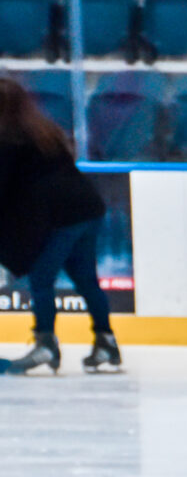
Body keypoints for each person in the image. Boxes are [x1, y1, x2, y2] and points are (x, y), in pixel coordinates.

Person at [0, 78, 120, 375]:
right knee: (86, 279)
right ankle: (106, 342)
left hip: (62, 216)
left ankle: (45, 344)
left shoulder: (8, 139)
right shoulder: (44, 130)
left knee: (41, 278)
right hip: (86, 206)